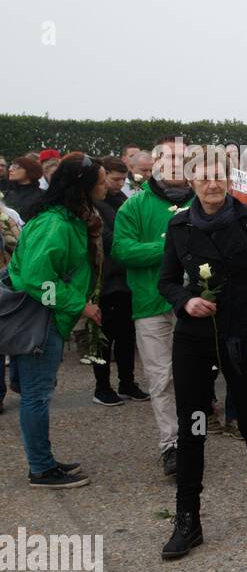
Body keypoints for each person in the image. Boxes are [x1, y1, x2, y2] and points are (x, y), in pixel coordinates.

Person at [157, 147, 247, 559]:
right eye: (203, 176)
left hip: (242, 334)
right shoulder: (179, 226)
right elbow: (166, 280)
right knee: (192, 425)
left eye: (219, 176)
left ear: (229, 180)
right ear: (191, 181)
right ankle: (187, 519)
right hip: (195, 337)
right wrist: (184, 301)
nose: (212, 183)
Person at [7, 154, 106, 488]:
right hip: (41, 320)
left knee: (36, 392)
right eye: (102, 180)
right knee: (36, 395)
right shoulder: (57, 224)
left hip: (45, 318)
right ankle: (41, 468)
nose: (105, 185)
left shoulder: (66, 218)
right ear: (84, 186)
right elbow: (36, 279)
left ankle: (44, 461)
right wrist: (81, 305)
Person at [112, 137, 193, 477]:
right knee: (161, 379)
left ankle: (194, 437)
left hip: (194, 304)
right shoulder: (134, 206)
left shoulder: (204, 199)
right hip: (150, 304)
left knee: (195, 378)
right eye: (169, 158)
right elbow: (122, 250)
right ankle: (171, 445)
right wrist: (166, 249)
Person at [89, 172, 149, 406]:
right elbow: (104, 237)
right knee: (103, 337)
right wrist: (133, 243)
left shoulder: (123, 200)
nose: (117, 183)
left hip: (124, 278)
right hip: (103, 279)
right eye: (109, 179)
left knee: (126, 336)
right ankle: (102, 387)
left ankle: (127, 382)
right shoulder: (93, 207)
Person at [5, 156, 45, 221]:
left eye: (16, 167)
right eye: (11, 166)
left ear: (29, 170)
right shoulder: (8, 194)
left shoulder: (42, 195)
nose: (10, 169)